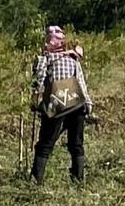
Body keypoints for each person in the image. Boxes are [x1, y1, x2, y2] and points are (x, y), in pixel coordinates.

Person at [30, 25, 92, 184]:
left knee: (45, 143)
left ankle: (36, 180)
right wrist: (88, 103)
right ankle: (78, 179)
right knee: (76, 143)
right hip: (77, 103)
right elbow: (81, 82)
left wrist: (35, 103)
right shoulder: (73, 57)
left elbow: (38, 82)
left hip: (57, 102)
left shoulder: (45, 58)